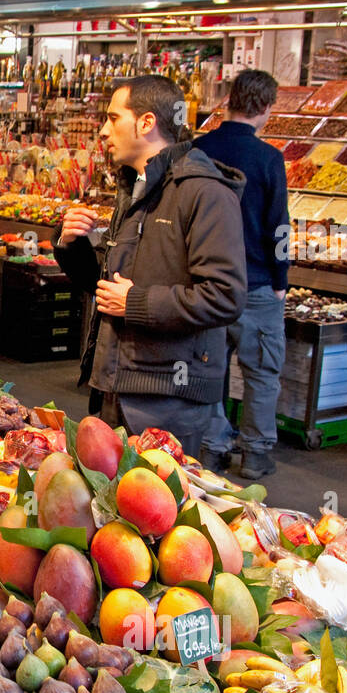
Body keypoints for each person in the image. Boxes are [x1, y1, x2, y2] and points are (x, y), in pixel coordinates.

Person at [53, 75, 246, 459]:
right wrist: (71, 246)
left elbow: (225, 297)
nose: (104, 131)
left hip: (169, 396)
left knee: (164, 513)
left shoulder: (204, 192)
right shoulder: (138, 188)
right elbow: (106, 291)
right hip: (120, 381)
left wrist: (136, 302)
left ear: (146, 123)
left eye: (113, 118)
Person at [195, 69, 290, 479]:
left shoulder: (198, 149)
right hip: (255, 286)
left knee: (209, 368)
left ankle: (213, 448)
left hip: (206, 285)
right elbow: (279, 226)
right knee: (262, 372)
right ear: (267, 107)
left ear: (228, 100)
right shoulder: (269, 158)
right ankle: (255, 453)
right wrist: (281, 279)